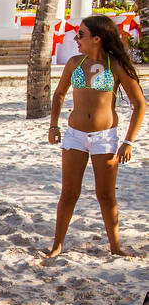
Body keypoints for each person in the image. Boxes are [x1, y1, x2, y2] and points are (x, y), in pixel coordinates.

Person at [45, 14, 145, 258]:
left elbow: (140, 104)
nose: (75, 38)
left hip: (105, 138)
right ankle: (57, 245)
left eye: (81, 34)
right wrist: (53, 126)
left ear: (97, 38)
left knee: (106, 195)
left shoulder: (117, 66)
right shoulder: (74, 63)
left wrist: (128, 141)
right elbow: (58, 95)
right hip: (74, 136)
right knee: (69, 193)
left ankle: (115, 246)